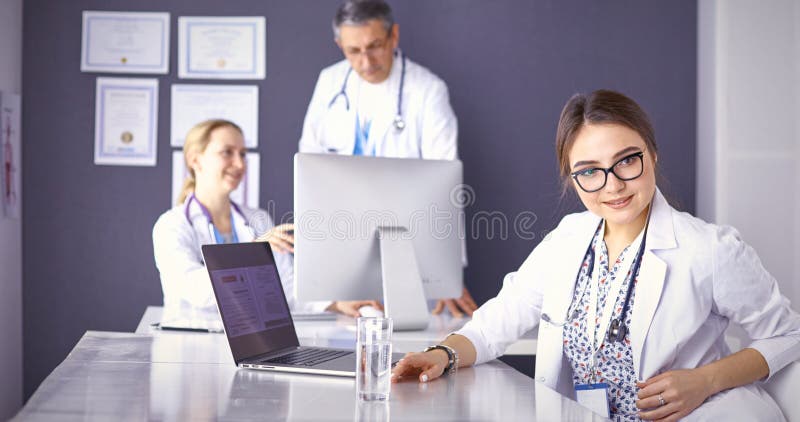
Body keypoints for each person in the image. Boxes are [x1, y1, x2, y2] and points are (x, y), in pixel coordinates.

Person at [391, 90, 800, 421]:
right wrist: (440, 355)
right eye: (589, 170)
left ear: (652, 154)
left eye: (627, 161)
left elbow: (787, 334)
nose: (612, 185)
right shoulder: (567, 240)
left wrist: (706, 381)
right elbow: (496, 322)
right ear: (572, 178)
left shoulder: (709, 249)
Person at [298, 0, 477, 316]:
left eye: (375, 46)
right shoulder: (329, 83)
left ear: (393, 36)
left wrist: (444, 275)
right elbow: (309, 174)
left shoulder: (427, 91)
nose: (366, 61)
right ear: (340, 45)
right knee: (340, 349)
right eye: (353, 51)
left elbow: (444, 186)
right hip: (341, 248)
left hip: (408, 254)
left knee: (407, 351)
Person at [152, 119, 378, 317]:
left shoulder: (257, 218)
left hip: (249, 338)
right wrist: (251, 252)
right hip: (190, 342)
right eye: (227, 152)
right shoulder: (172, 226)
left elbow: (282, 288)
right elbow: (196, 291)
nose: (240, 164)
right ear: (195, 160)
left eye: (242, 154)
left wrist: (335, 303)